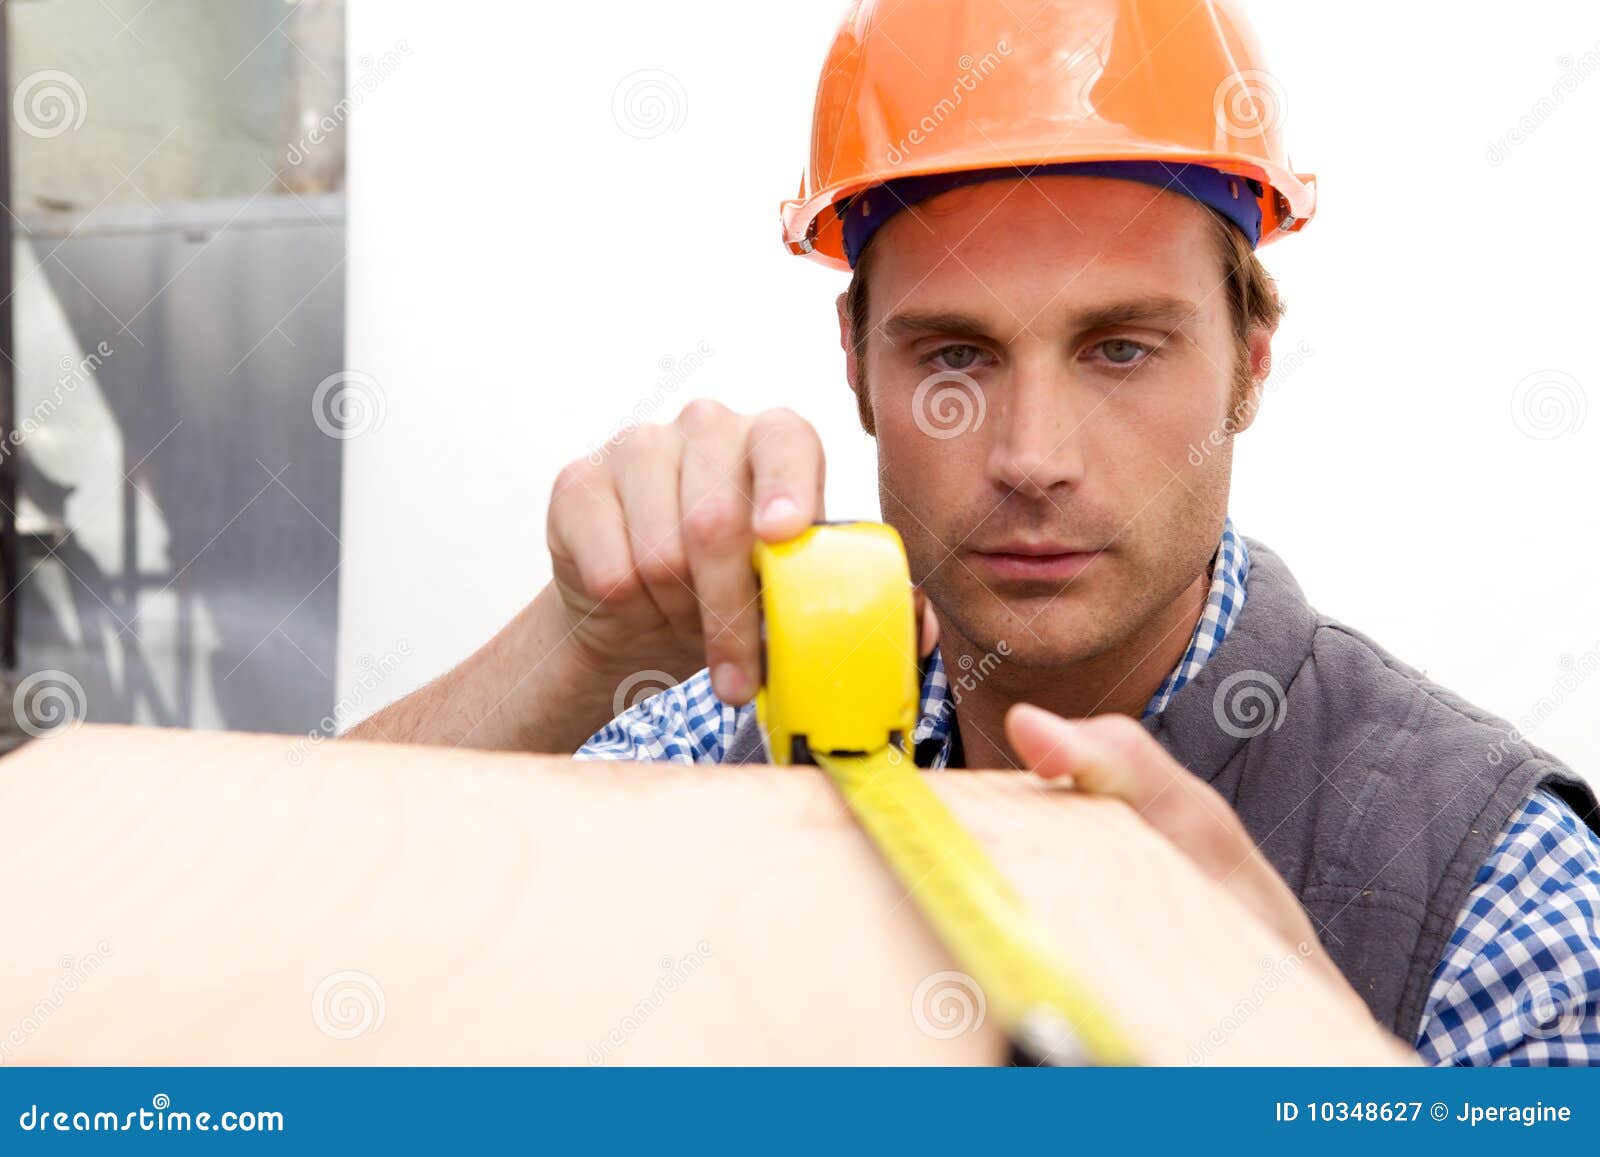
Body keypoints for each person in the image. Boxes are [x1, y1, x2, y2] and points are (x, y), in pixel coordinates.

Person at [349, 0, 1599, 1064]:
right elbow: (246, 960)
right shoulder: (716, 750)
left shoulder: (1503, 890)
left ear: (1248, 365)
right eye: (955, 355)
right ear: (855, 367)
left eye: (1119, 347)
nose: (1030, 459)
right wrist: (574, 641)